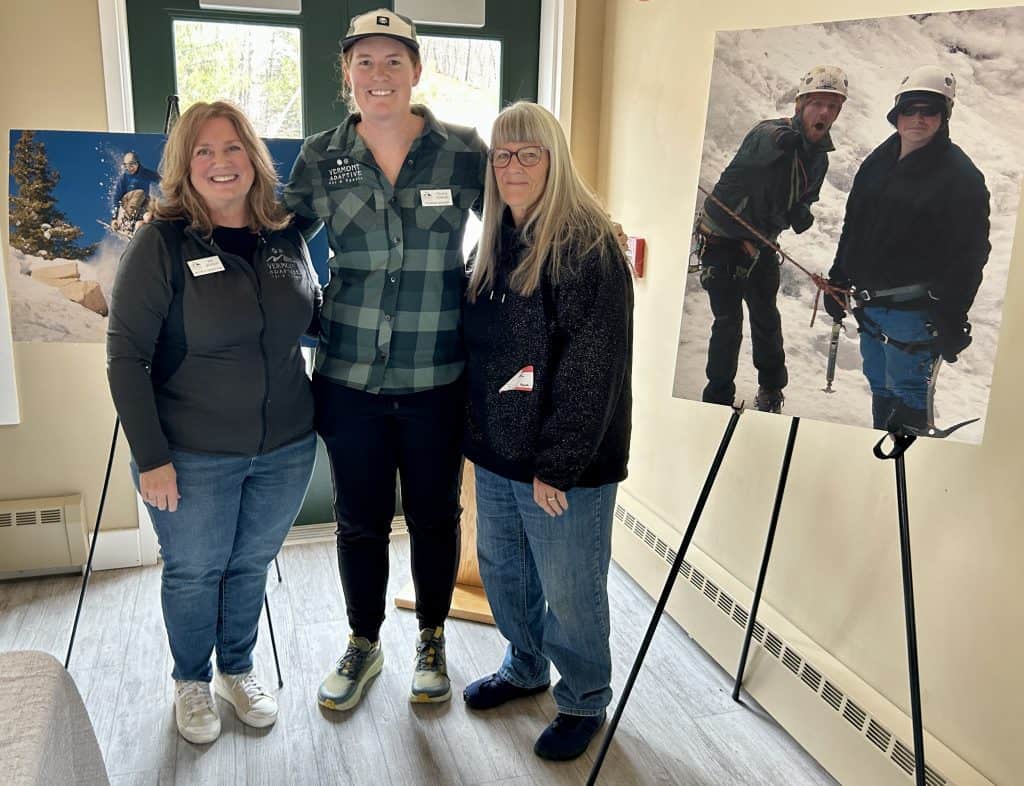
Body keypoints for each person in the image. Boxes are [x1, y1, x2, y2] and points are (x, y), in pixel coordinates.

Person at [282, 9, 487, 710]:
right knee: (359, 520)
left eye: (393, 61)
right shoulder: (320, 156)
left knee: (434, 517)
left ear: (417, 70)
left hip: (438, 378)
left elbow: (518, 227)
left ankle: (432, 639)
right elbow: (278, 243)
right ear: (347, 73)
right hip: (349, 381)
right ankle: (363, 643)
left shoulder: (463, 151)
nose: (379, 76)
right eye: (364, 62)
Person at [106, 101, 320, 745]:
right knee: (195, 569)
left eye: (232, 148)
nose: (220, 162)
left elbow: (308, 319)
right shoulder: (162, 242)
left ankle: (237, 667)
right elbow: (125, 356)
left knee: (250, 562)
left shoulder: (284, 237)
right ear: (184, 167)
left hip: (286, 446)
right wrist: (151, 458)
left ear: (253, 159)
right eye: (203, 151)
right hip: (192, 452)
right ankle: (191, 682)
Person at [460, 101, 633, 761]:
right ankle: (525, 664)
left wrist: (557, 465)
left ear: (555, 159)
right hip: (500, 452)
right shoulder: (503, 235)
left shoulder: (586, 244)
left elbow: (593, 369)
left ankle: (584, 699)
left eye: (528, 153)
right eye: (502, 154)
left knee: (570, 587)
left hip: (564, 466)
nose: (513, 166)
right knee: (507, 572)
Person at [825, 66, 990, 432]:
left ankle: (906, 470)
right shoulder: (877, 162)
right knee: (880, 387)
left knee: (909, 400)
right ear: (896, 114)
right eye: (910, 110)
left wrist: (952, 314)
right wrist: (839, 278)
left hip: (915, 316)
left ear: (943, 117)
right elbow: (855, 225)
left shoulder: (961, 177)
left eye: (928, 111)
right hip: (869, 308)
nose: (917, 119)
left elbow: (971, 253)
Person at [698, 65, 847, 412]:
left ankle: (771, 389)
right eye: (818, 104)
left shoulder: (819, 159)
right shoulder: (770, 133)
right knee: (728, 322)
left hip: (761, 242)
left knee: (766, 315)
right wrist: (782, 142)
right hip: (724, 240)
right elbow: (760, 145)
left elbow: (806, 196)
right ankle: (717, 400)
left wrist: (801, 212)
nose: (824, 112)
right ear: (801, 106)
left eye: (832, 106)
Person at [110, 151, 160, 235]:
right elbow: (116, 198)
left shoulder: (145, 173)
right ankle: (126, 223)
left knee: (153, 203)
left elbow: (160, 179)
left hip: (140, 203)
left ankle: (143, 228)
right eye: (127, 166)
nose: (130, 168)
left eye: (132, 165)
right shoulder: (124, 178)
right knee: (140, 193)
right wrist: (114, 218)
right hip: (126, 203)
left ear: (138, 164)